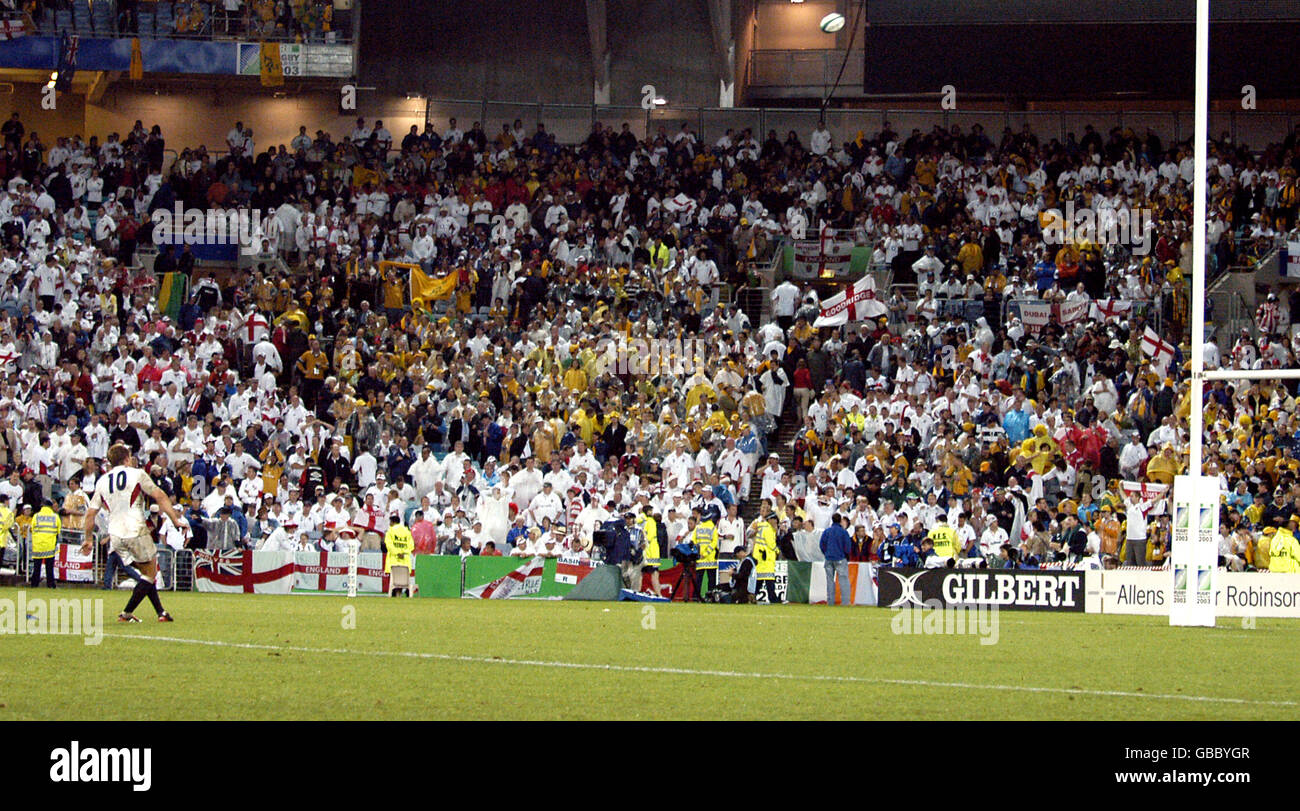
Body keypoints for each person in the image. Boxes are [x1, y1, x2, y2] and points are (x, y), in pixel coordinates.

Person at [79, 444, 189, 622]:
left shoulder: (102, 481)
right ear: (127, 459)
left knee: (147, 573)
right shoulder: (136, 473)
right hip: (134, 529)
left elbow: (90, 513)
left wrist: (88, 539)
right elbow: (160, 495)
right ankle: (126, 613)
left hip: (115, 535)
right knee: (150, 573)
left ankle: (161, 612)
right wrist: (175, 520)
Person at [819, 513, 852, 606]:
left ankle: (830, 601)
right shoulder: (843, 532)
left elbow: (822, 544)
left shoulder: (827, 531)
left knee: (829, 580)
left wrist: (826, 553)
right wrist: (845, 554)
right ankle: (845, 602)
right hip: (840, 558)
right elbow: (848, 547)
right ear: (840, 520)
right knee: (843, 580)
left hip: (829, 558)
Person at [29, 499, 60, 588]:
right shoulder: (55, 516)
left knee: (37, 567)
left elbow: (32, 528)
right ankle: (51, 585)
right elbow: (58, 531)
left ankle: (34, 585)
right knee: (49, 567)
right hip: (50, 544)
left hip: (38, 544)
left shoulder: (36, 516)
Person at [749, 509, 778, 603]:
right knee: (769, 579)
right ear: (770, 520)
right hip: (767, 557)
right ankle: (772, 598)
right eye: (774, 519)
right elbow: (771, 543)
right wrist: (777, 550)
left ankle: (752, 596)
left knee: (760, 579)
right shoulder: (768, 529)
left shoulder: (761, 527)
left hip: (760, 556)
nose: (775, 521)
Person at [383, 511, 415, 596]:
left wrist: (397, 553)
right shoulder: (407, 531)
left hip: (394, 560)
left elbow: (389, 545)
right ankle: (404, 593)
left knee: (393, 580)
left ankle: (395, 594)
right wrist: (403, 553)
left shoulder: (390, 531)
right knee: (405, 579)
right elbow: (411, 546)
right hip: (405, 560)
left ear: (392, 522)